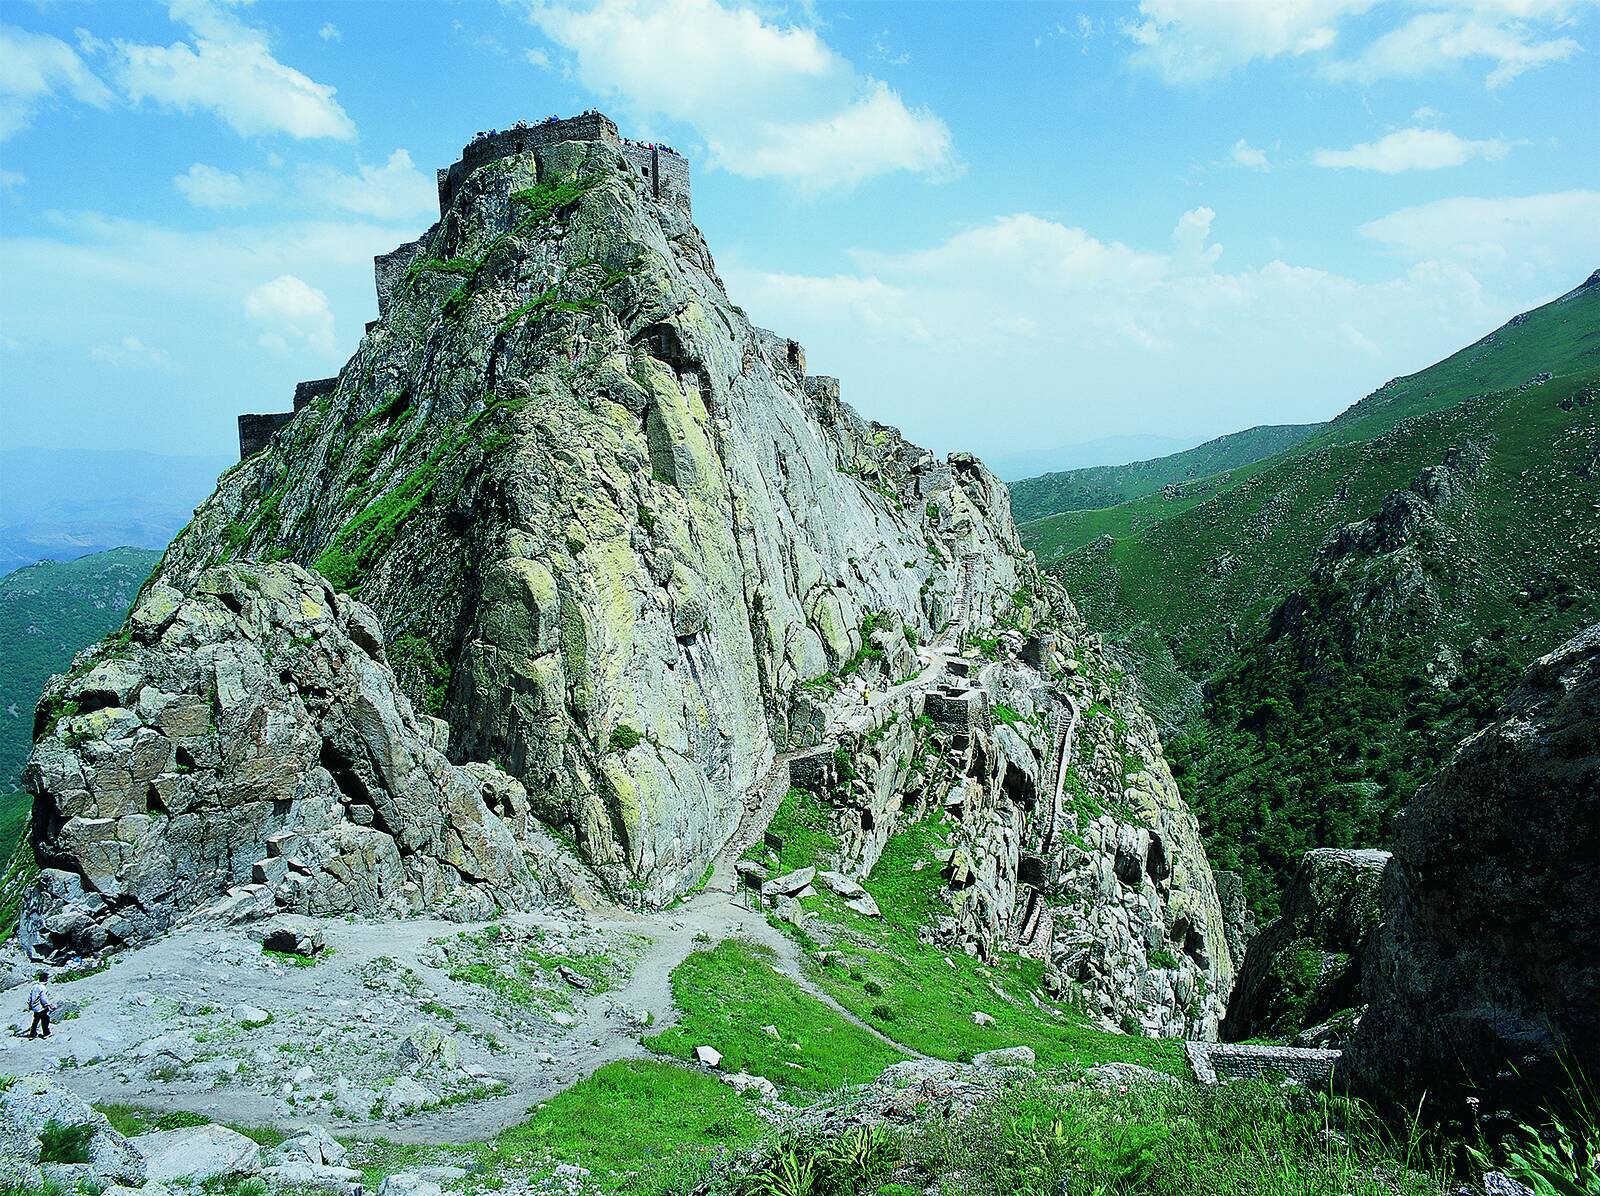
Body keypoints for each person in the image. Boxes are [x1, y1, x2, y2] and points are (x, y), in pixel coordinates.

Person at [26, 970, 55, 1039]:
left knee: (35, 1021)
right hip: (41, 1007)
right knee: (45, 1020)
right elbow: (43, 998)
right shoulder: (43, 988)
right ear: (45, 979)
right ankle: (46, 1033)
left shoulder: (34, 986)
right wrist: (49, 1005)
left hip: (35, 1007)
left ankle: (32, 1035)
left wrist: (30, 1005)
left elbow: (30, 997)